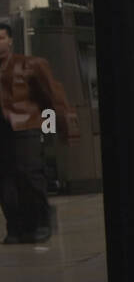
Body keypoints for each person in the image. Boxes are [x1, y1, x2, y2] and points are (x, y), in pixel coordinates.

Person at [0, 22, 80, 243]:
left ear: (10, 40)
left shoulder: (30, 65)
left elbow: (51, 97)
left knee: (29, 176)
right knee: (6, 180)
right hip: (3, 131)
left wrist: (53, 129)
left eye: (1, 38)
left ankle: (40, 224)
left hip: (27, 127)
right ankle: (15, 228)